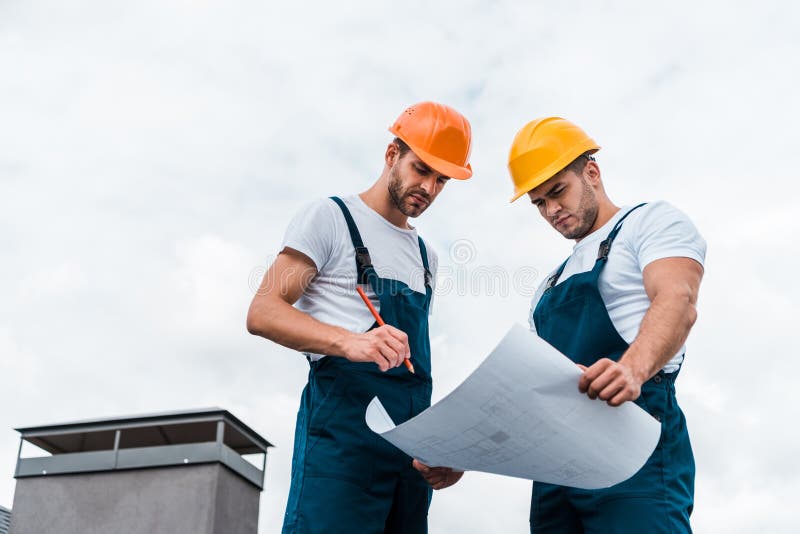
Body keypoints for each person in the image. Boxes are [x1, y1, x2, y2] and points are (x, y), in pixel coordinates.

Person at [247, 101, 473, 533]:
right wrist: (350, 341)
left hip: (408, 469)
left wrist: (443, 450)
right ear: (392, 154)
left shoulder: (428, 258)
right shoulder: (331, 219)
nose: (428, 187)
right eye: (421, 169)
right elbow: (263, 311)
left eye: (441, 180)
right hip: (341, 457)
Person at [507, 117, 706, 533]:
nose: (551, 210)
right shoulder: (548, 285)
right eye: (539, 203)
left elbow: (677, 300)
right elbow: (533, 385)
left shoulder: (649, 223)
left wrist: (631, 369)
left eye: (557, 191)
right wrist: (462, 451)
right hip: (556, 469)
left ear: (592, 173)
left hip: (633, 445)